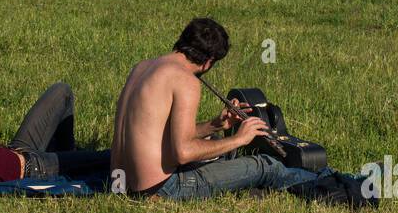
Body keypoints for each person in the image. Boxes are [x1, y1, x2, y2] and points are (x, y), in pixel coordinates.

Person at [110, 18, 307, 200]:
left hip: (119, 183)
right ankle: (316, 178)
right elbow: (183, 153)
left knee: (214, 144)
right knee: (266, 166)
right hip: (158, 189)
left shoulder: (142, 67)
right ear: (208, 62)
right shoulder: (185, 80)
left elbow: (163, 136)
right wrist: (240, 139)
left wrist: (215, 125)